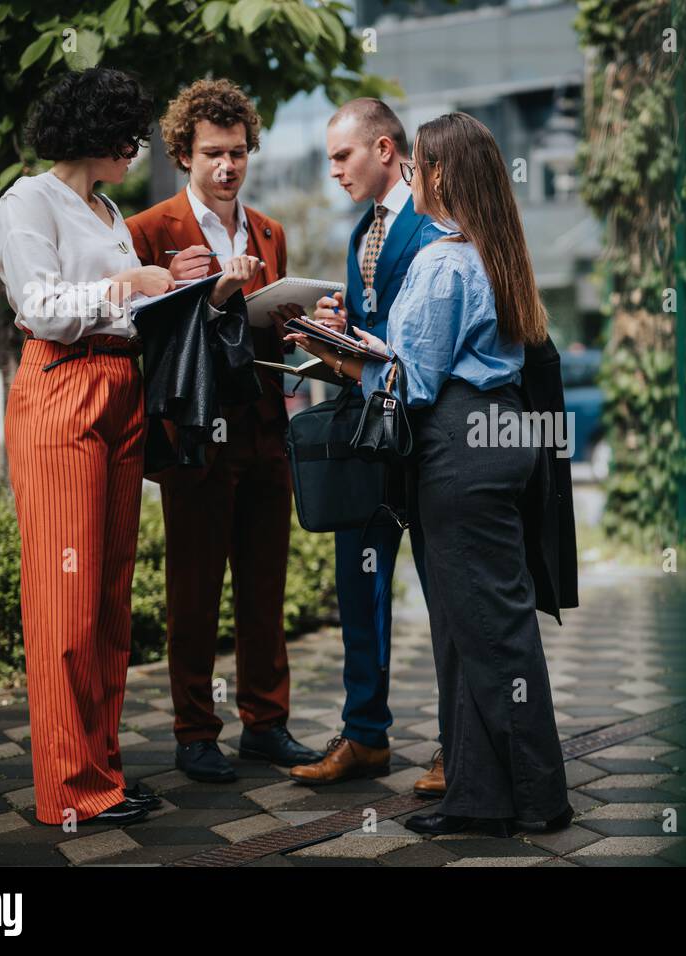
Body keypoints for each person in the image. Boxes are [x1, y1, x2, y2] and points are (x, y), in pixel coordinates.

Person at [288, 112, 573, 834]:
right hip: (498, 439)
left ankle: (536, 799)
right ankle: (479, 796)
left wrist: (333, 354)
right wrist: (358, 343)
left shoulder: (443, 262)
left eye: (415, 165)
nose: (410, 178)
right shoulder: (490, 252)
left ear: (438, 175)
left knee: (485, 632)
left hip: (457, 454)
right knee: (471, 630)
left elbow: (409, 381)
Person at [0, 68, 260, 826]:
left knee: (111, 596)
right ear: (98, 135)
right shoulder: (28, 199)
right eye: (128, 135)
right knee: (64, 600)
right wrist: (128, 285)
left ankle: (102, 772)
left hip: (121, 388)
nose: (136, 147)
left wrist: (168, 289)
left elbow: (129, 306)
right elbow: (42, 307)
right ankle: (69, 790)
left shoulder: (109, 210)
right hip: (60, 390)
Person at [126, 79, 322, 782]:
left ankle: (266, 725)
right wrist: (205, 296)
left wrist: (304, 322)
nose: (227, 167)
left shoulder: (269, 230)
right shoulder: (149, 231)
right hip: (195, 435)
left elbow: (274, 331)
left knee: (265, 587)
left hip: (266, 429)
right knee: (194, 590)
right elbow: (140, 333)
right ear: (184, 152)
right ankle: (194, 732)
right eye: (212, 153)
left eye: (237, 152)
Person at [287, 99, 444, 792]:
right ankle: (364, 736)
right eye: (328, 160)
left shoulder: (441, 222)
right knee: (359, 585)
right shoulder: (361, 235)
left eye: (342, 157)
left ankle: (457, 742)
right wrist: (338, 325)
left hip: (428, 433)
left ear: (385, 149)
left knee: (448, 591)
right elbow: (375, 322)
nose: (334, 172)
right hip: (365, 433)